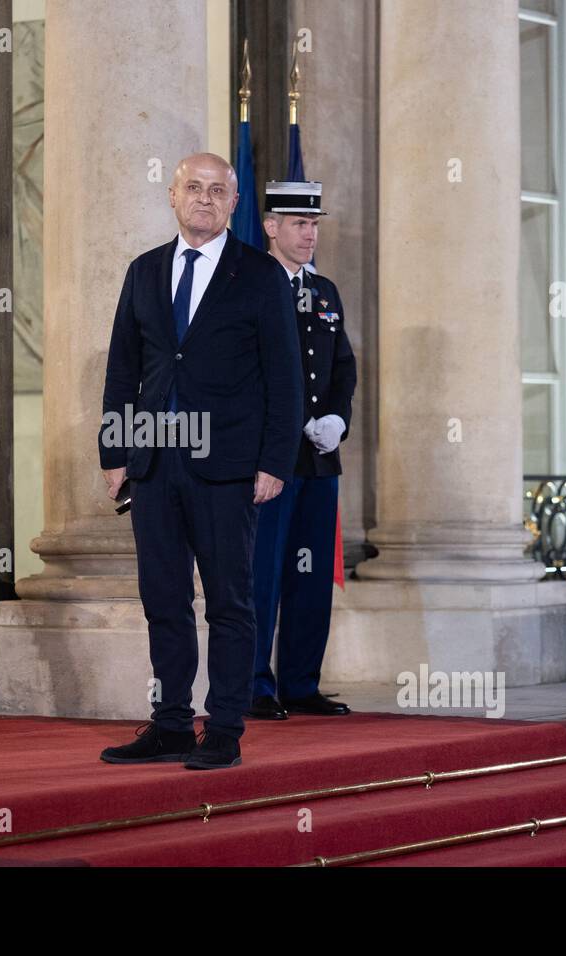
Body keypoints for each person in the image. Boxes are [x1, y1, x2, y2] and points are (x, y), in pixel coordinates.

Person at [97, 152, 301, 770]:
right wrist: (114, 449)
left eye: (218, 190)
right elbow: (123, 368)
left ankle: (227, 727)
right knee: (163, 598)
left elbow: (285, 379)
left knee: (229, 600)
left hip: (228, 464)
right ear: (173, 196)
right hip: (155, 462)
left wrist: (274, 461)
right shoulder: (144, 271)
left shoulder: (260, 275)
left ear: (234, 204)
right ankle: (171, 724)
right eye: (194, 188)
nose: (205, 199)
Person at [247, 182, 356, 720]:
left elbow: (342, 368)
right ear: (271, 227)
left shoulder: (326, 291)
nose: (309, 233)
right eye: (297, 223)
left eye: (314, 224)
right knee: (261, 574)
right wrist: (291, 425)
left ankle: (300, 682)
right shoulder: (248, 285)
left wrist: (337, 419)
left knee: (310, 576)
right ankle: (253, 686)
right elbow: (246, 376)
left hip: (318, 459)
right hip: (272, 459)